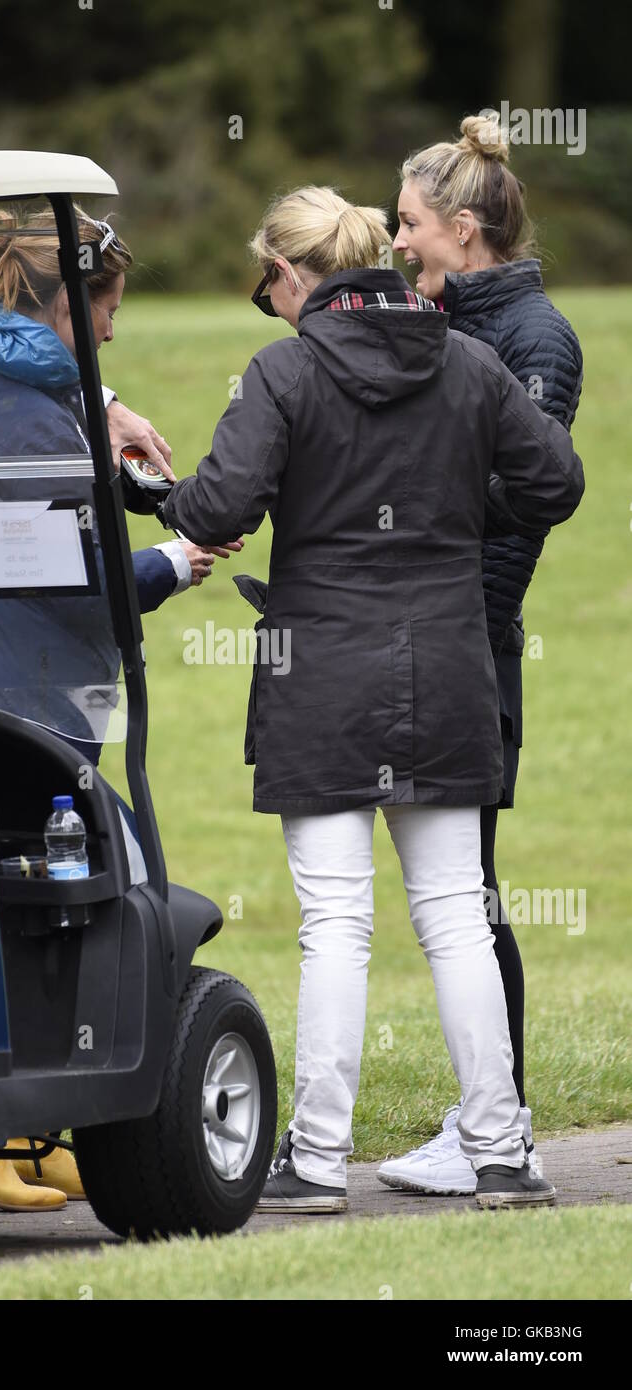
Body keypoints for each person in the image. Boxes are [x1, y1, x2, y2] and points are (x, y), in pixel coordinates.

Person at [162, 186, 584, 1212]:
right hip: (445, 665)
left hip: (325, 671)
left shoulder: (287, 370)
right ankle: (500, 1151)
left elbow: (219, 506)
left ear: (299, 275)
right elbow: (556, 484)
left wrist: (151, 494)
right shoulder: (471, 361)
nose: (270, 301)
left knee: (336, 924)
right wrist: (456, 519)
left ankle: (315, 1159)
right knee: (457, 921)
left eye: (270, 282)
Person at [0, 206, 240, 1213]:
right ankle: (26, 1121)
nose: (111, 333)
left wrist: (108, 420)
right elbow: (79, 581)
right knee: (82, 899)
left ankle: (33, 1126)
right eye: (104, 311)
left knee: (33, 894)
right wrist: (177, 563)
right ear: (64, 304)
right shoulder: (27, 414)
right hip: (31, 699)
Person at [377, 112, 584, 1196]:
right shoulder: (441, 318)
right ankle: (486, 1119)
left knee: (474, 891)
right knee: (461, 888)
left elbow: (524, 505)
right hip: (429, 629)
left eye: (408, 224)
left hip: (468, 641)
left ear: (463, 228)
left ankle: (499, 1130)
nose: (395, 240)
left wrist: (424, 552)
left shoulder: (536, 340)